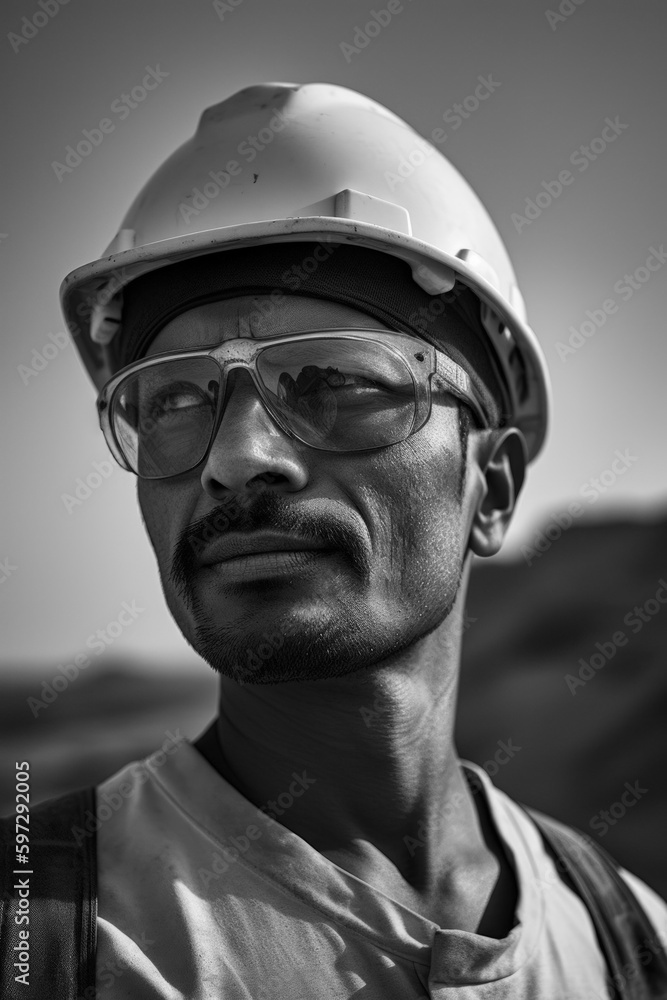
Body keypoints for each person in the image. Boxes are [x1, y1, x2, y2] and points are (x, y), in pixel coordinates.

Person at [16, 82, 667, 997]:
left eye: (333, 379)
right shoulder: (37, 929)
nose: (235, 460)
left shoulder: (628, 941)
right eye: (172, 400)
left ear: (493, 487)